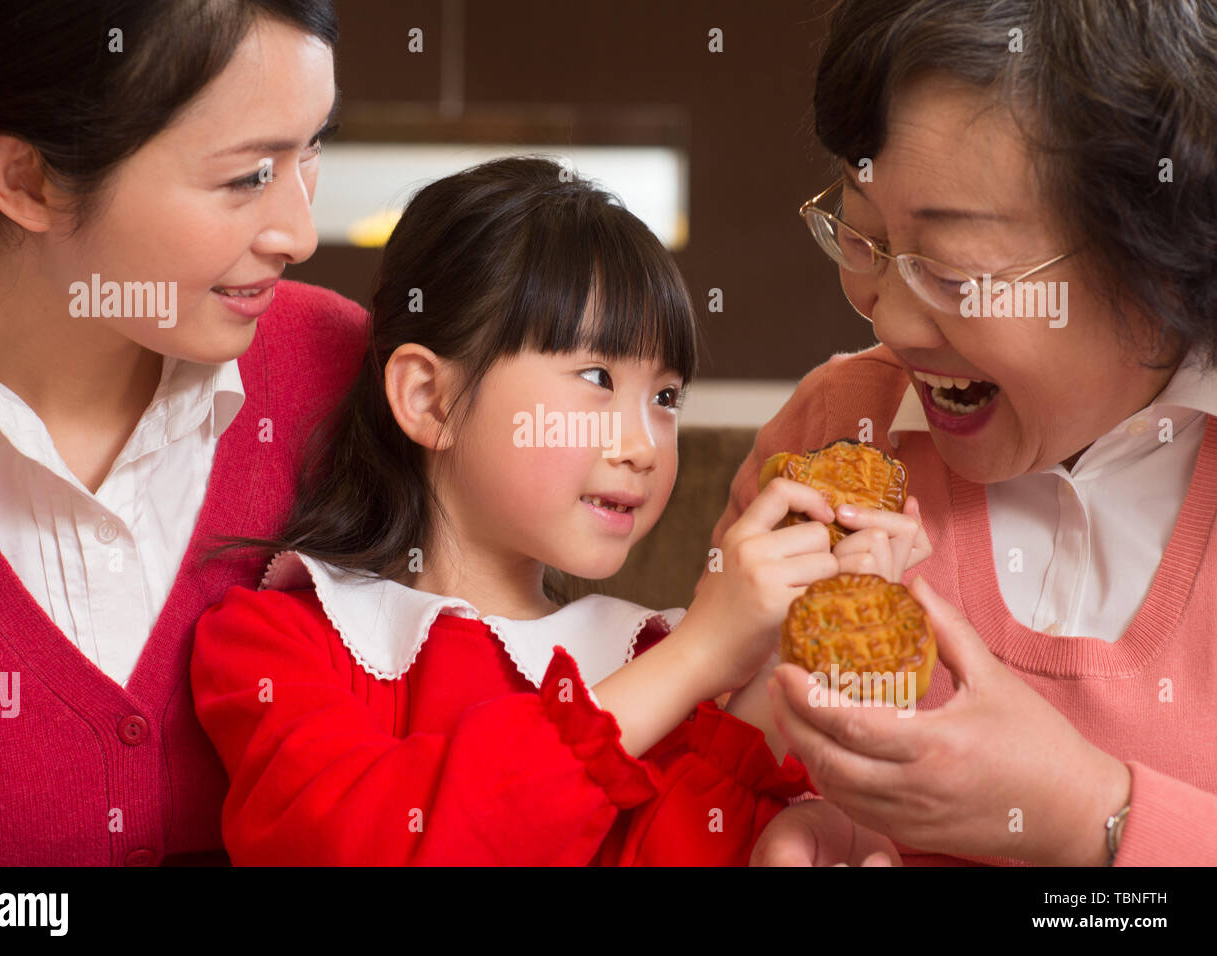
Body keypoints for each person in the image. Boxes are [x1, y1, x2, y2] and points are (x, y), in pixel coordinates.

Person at [189, 156, 931, 864]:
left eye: (665, 398)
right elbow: (369, 847)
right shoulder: (272, 644)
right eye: (598, 376)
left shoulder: (646, 657)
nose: (643, 445)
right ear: (429, 398)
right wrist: (697, 657)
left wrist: (780, 661)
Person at [728, 0, 1217, 866]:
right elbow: (721, 761)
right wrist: (799, 821)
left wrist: (1088, 818)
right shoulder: (833, 442)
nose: (894, 317)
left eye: (953, 274)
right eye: (863, 237)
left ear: (1162, 266)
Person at [0, 0, 367, 865]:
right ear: (30, 181)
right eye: (246, 178)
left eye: (311, 149)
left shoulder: (346, 377)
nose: (300, 234)